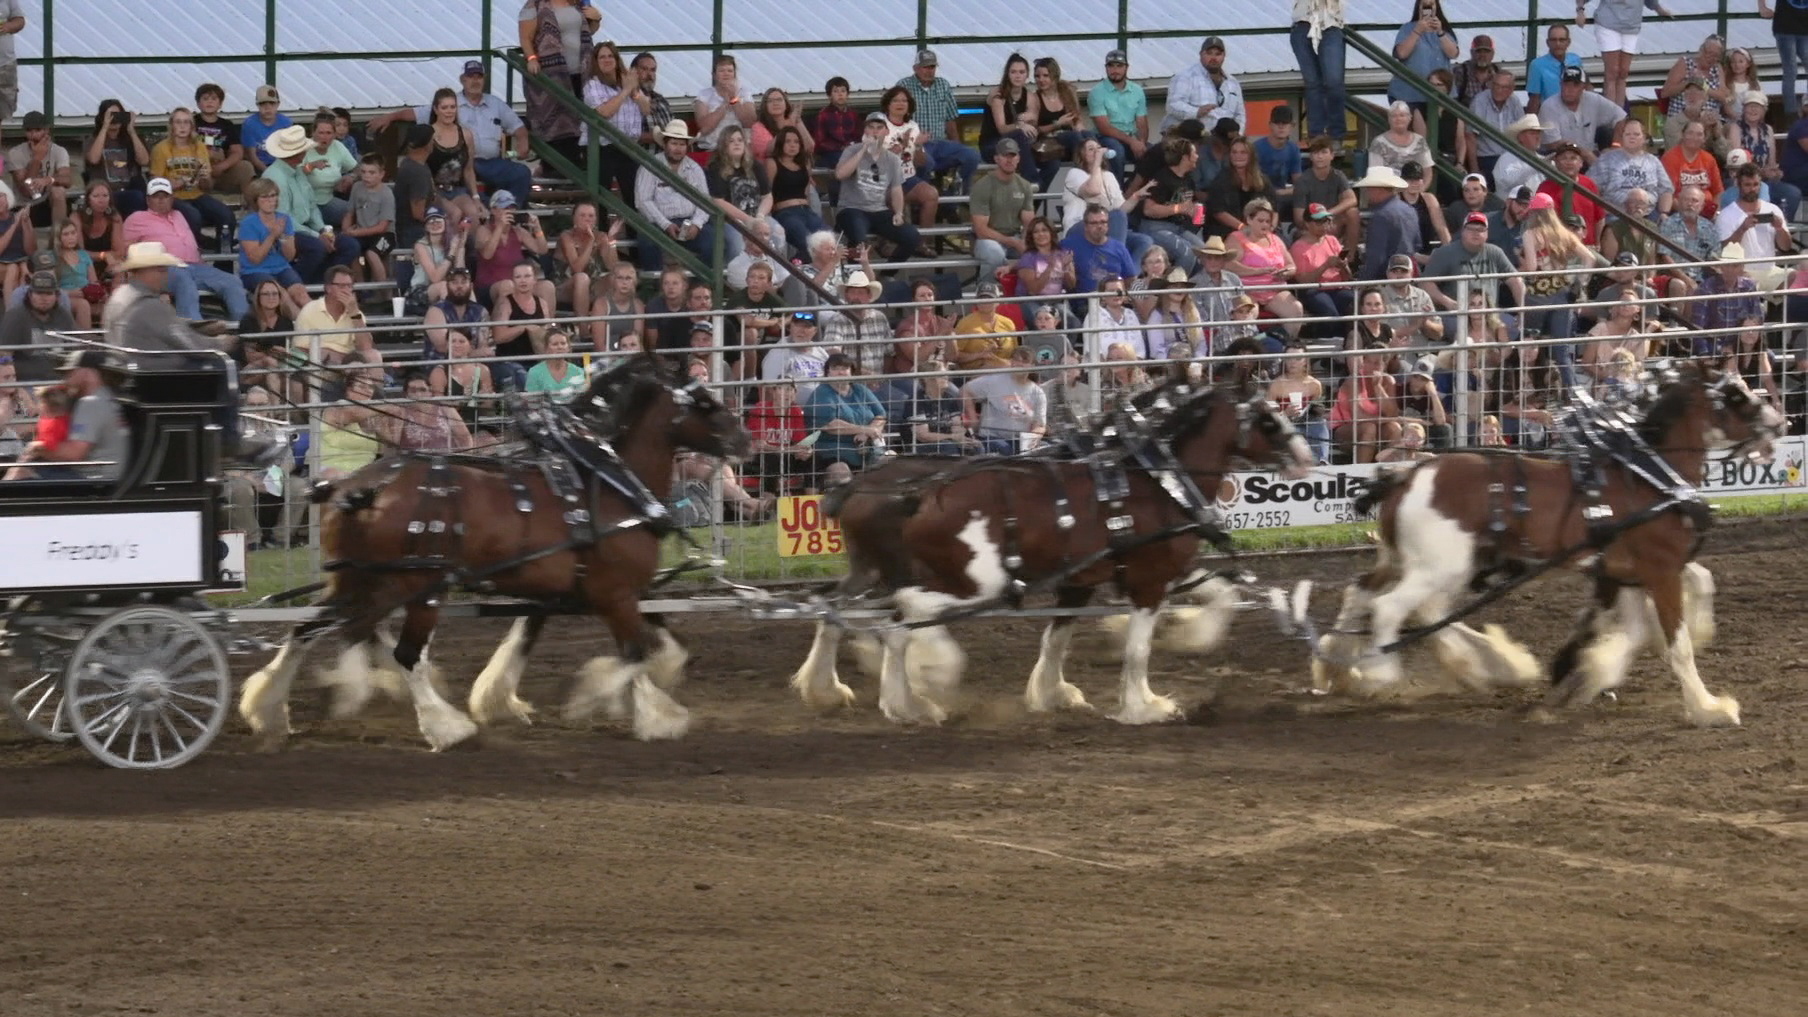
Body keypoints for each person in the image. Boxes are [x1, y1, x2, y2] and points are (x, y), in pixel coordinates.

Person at [370, 61, 536, 203]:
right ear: (463, 79)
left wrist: (523, 141)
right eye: (471, 77)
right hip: (462, 161)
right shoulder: (451, 102)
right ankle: (487, 209)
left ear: (484, 79)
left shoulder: (496, 104)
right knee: (464, 180)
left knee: (522, 173)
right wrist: (390, 117)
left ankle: (510, 212)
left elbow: (518, 126)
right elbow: (415, 113)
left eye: (479, 77)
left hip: (493, 162)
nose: (475, 81)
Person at [122, 177, 249, 322]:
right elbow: (125, 251)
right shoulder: (136, 218)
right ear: (148, 200)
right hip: (164, 269)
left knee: (232, 281)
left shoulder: (179, 215)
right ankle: (193, 326)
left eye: (165, 196)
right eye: (156, 196)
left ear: (172, 198)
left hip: (195, 266)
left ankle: (245, 328)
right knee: (184, 280)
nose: (161, 200)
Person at [262, 124, 363, 283]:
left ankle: (323, 283)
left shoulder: (298, 171)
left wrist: (323, 230)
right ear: (298, 153)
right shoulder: (275, 177)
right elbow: (283, 219)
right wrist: (317, 235)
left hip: (303, 228)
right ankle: (294, 284)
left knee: (350, 245)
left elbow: (311, 205)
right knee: (317, 247)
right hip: (282, 232)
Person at [22, 349, 129, 481]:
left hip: (92, 479)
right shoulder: (106, 396)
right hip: (106, 477)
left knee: (24, 473)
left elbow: (73, 454)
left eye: (71, 371)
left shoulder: (91, 403)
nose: (67, 377)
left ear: (87, 373)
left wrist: (37, 447)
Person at [518, 0, 598, 163]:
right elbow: (525, 37)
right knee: (557, 120)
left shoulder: (576, 4)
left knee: (581, 120)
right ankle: (554, 166)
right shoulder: (534, 6)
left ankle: (578, 163)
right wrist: (531, 58)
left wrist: (596, 19)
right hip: (552, 74)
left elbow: (587, 32)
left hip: (581, 74)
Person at [834, 113, 921, 261]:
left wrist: (899, 212)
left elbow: (896, 189)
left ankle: (888, 272)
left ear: (886, 132)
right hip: (852, 209)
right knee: (859, 238)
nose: (875, 131)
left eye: (879, 128)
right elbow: (840, 175)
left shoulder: (892, 159)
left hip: (879, 210)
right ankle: (857, 274)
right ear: (865, 131)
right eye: (871, 127)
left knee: (912, 237)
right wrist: (863, 149)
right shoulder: (852, 150)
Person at [633, 122, 719, 270]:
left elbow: (704, 201)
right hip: (657, 222)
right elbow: (643, 201)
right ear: (665, 145)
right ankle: (654, 282)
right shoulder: (650, 165)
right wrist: (665, 224)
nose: (678, 149)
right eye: (674, 143)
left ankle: (699, 282)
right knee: (648, 239)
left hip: (689, 222)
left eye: (682, 144)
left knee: (714, 241)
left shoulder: (694, 168)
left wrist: (696, 224)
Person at [896, 49, 982, 193]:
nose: (929, 71)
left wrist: (956, 144)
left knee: (972, 155)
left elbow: (950, 119)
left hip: (941, 143)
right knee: (926, 162)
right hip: (916, 145)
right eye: (925, 67)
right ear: (915, 68)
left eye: (932, 67)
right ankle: (921, 195)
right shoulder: (903, 86)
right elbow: (896, 118)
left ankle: (962, 192)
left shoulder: (943, 85)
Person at [1579, 0, 1672, 108]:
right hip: (1608, 23)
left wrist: (1659, 10)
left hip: (1631, 26)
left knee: (1623, 72)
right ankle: (1610, 113)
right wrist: (1580, 11)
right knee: (1612, 72)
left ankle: (1620, 112)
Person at [803, 352, 887, 472]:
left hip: (867, 447)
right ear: (827, 373)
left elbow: (881, 415)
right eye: (835, 369)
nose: (841, 372)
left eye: (845, 368)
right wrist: (864, 429)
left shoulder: (860, 389)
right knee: (841, 471)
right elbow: (831, 425)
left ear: (851, 371)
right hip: (833, 451)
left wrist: (868, 432)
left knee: (892, 459)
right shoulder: (821, 393)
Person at [236, 178, 311, 312]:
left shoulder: (284, 219)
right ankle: (301, 323)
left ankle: (320, 320)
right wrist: (272, 236)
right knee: (281, 294)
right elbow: (255, 259)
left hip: (281, 268)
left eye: (273, 195)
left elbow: (290, 256)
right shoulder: (248, 223)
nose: (271, 200)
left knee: (301, 294)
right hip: (254, 271)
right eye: (265, 197)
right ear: (256, 200)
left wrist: (282, 237)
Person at [1726, 92, 1804, 221]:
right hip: (1741, 179)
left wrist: (1775, 172)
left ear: (1764, 110)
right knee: (1761, 190)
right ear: (1744, 108)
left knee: (1792, 193)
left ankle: (1780, 227)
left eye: (1757, 106)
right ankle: (1756, 223)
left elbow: (1771, 161)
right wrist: (1761, 172)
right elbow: (1738, 161)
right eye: (1750, 106)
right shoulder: (1736, 128)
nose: (1753, 109)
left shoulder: (1768, 129)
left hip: (1764, 179)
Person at [963, 346, 1047, 453]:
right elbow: (965, 390)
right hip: (991, 438)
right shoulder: (993, 381)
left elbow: (1040, 425)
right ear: (1011, 361)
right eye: (1016, 360)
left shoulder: (1038, 393)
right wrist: (972, 418)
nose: (1019, 364)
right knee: (1005, 449)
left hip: (1021, 441)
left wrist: (1033, 438)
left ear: (1032, 366)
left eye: (1025, 361)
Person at [1538, 67, 1624, 168]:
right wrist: (1586, 154)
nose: (1569, 89)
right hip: (1559, 159)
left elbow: (1621, 117)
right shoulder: (1549, 106)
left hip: (1588, 158)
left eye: (1575, 85)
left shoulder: (1593, 99)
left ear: (1584, 87)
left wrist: (1615, 146)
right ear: (1560, 84)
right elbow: (1553, 143)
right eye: (1566, 84)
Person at [1389, 1, 1459, 124]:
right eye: (1425, 5)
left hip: (1440, 94)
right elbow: (1401, 53)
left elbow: (1453, 54)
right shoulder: (1407, 28)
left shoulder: (1444, 29)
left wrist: (1440, 32)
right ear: (1419, 7)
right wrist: (1417, 31)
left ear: (1436, 7)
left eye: (1431, 5)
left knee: (1443, 131)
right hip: (1411, 95)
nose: (1428, 8)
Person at [1162, 36, 1246, 136]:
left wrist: (1238, 135)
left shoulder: (1232, 82)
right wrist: (1197, 112)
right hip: (1190, 138)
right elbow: (1172, 105)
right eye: (1209, 53)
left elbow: (1240, 114)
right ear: (1201, 54)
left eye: (1218, 54)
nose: (1214, 58)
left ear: (1224, 56)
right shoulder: (1185, 77)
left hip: (1222, 140)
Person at [1291, 0, 1348, 143]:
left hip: (1330, 23)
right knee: (1313, 83)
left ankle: (1335, 135)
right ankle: (1317, 136)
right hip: (1303, 23)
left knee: (1333, 82)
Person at [0, 271, 74, 380]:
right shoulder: (15, 316)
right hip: (27, 382)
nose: (44, 298)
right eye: (39, 293)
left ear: (57, 296)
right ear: (30, 295)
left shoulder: (64, 316)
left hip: (60, 381)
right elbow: (5, 355)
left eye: (49, 293)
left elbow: (73, 352)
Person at [1591, 118, 1672, 214]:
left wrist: (1664, 213)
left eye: (1636, 134)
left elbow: (1666, 190)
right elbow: (1591, 187)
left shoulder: (1654, 161)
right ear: (1622, 137)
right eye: (1628, 134)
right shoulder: (1606, 159)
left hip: (1648, 214)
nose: (1632, 137)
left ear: (1644, 138)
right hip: (1615, 213)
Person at [378, 372, 472, 454]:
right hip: (412, 463)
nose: (418, 394)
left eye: (422, 390)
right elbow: (394, 444)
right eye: (413, 391)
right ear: (406, 394)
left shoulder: (446, 409)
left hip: (446, 461)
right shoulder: (401, 413)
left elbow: (465, 437)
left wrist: (465, 459)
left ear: (430, 392)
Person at [1090, 48, 1151, 175]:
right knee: (1116, 152)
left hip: (1130, 137)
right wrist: (1132, 142)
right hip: (1105, 138)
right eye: (1111, 66)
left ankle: (1136, 186)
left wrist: (1141, 143)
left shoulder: (1137, 90)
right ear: (1106, 68)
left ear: (1126, 68)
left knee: (1153, 153)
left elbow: (1141, 123)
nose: (1115, 70)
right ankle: (1116, 187)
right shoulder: (1097, 91)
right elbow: (1104, 128)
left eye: (1119, 66)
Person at [85, 99, 151, 215]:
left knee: (140, 195)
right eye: (111, 115)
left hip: (131, 188)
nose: (114, 119)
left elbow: (144, 160)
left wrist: (132, 131)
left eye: (118, 115)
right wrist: (104, 127)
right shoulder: (93, 140)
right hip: (108, 193)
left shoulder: (131, 139)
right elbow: (94, 159)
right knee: (136, 197)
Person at [9, 110, 71, 230]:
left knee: (58, 191)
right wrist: (37, 159)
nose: (33, 135)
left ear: (46, 130)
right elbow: (26, 191)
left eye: (38, 130)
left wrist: (49, 179)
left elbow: (67, 180)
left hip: (48, 203)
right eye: (29, 130)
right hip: (24, 206)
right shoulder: (15, 153)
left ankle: (58, 236)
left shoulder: (59, 151)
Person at [1462, 68, 1523, 186]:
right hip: (1487, 158)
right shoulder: (1480, 101)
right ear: (1490, 85)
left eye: (1504, 87)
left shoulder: (1514, 101)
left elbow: (1522, 131)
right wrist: (1475, 170)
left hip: (1510, 157)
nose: (1499, 90)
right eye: (1496, 85)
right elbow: (1470, 136)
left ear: (1511, 89)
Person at [1355, 166, 1418, 280]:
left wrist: (1364, 281)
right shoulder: (1410, 210)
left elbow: (1376, 257)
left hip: (1386, 278)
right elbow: (1417, 244)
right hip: (1407, 273)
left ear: (1378, 190)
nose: (1367, 193)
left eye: (1369, 189)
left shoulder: (1381, 216)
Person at [1761, 0, 1808, 118]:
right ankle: (1791, 114)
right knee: (1791, 70)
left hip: (1803, 28)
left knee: (1790, 71)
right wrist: (1762, 7)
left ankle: (1795, 112)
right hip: (1785, 27)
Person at [52, 221, 101, 329]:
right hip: (62, 297)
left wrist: (94, 292)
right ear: (58, 238)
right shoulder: (52, 257)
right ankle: (85, 339)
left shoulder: (84, 255)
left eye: (73, 233)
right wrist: (70, 293)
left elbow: (94, 282)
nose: (71, 237)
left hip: (85, 294)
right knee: (83, 305)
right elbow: (51, 288)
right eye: (66, 234)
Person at [1526, 22, 1583, 113]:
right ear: (1547, 42)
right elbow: (1534, 99)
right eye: (1553, 40)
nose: (1557, 44)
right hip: (1550, 114)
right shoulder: (1537, 65)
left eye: (1562, 40)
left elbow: (1586, 87)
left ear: (1568, 42)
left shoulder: (1575, 60)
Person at [1368, 100, 1432, 175]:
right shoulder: (1378, 142)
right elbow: (1375, 173)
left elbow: (1427, 171)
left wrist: (1423, 183)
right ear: (1389, 119)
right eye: (1394, 116)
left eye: (1402, 115)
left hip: (1415, 182)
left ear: (1409, 117)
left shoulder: (1420, 141)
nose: (1398, 119)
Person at [524, 329, 588, 398]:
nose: (560, 347)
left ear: (568, 348)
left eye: (563, 343)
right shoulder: (534, 372)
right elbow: (532, 400)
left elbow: (581, 399)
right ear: (546, 348)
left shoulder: (578, 371)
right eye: (555, 344)